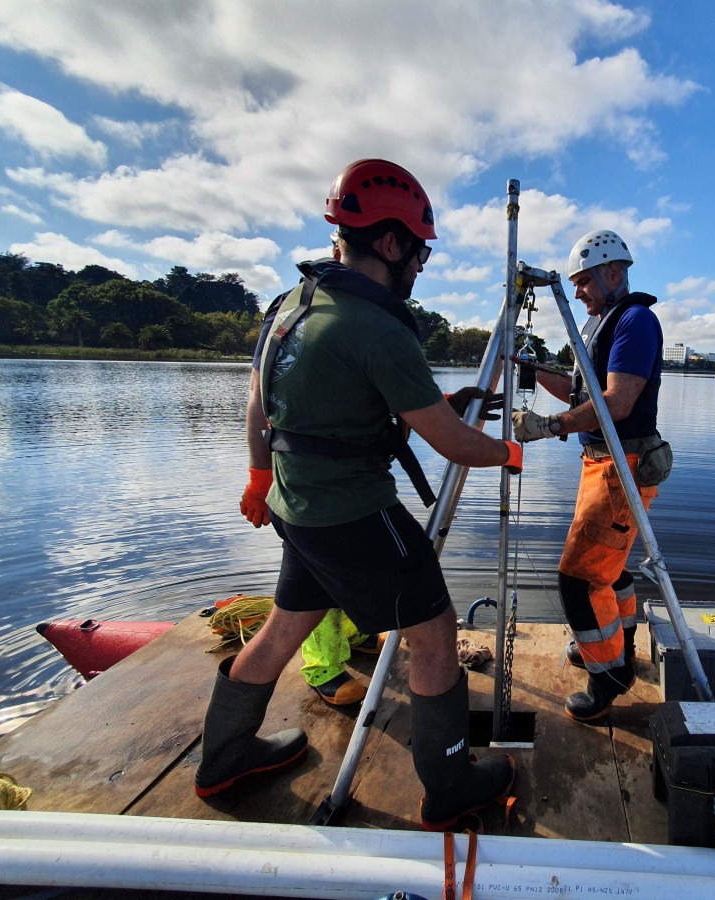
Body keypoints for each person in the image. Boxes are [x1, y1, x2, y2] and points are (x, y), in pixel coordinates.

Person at [196, 158, 521, 833]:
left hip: (296, 506)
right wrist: (509, 451)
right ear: (392, 243)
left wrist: (259, 476)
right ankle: (451, 787)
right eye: (421, 252)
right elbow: (453, 444)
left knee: (285, 626)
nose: (422, 266)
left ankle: (223, 758)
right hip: (351, 512)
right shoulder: (378, 327)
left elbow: (260, 401)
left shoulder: (291, 307)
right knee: (434, 634)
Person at [511, 229, 667, 722]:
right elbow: (583, 394)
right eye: (575, 283)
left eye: (583, 282)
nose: (578, 292)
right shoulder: (601, 323)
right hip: (602, 464)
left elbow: (616, 404)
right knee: (610, 569)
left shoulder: (635, 322)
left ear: (613, 272)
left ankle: (609, 677)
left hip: (623, 467)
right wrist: (531, 370)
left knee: (579, 579)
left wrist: (549, 427)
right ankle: (619, 649)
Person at [239, 232, 384, 709]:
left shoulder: (367, 310)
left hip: (354, 475)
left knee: (356, 560)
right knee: (317, 572)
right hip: (304, 478)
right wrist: (259, 476)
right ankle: (323, 665)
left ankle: (354, 631)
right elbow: (258, 399)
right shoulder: (293, 311)